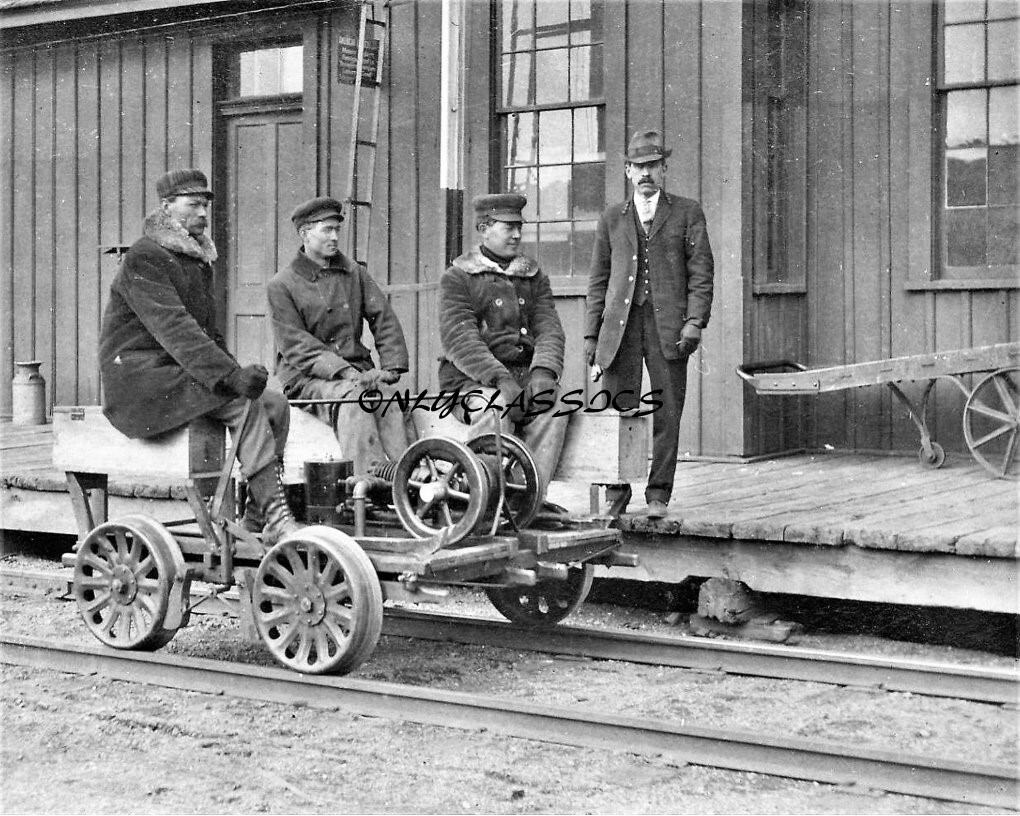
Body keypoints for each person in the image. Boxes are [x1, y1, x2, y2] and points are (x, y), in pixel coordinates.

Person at [99, 168, 300, 545]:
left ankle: (257, 517)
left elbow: (206, 332)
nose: (204, 213)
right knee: (243, 404)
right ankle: (277, 515)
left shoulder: (192, 258)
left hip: (175, 369)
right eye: (194, 205)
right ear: (166, 208)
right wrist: (230, 379)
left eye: (206, 205)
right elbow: (176, 329)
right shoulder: (146, 257)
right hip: (140, 377)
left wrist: (235, 371)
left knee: (274, 404)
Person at [585, 130, 714, 519]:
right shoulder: (611, 218)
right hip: (619, 329)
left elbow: (702, 273)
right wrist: (592, 336)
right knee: (617, 409)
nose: (646, 174)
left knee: (667, 409)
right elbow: (597, 280)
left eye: (653, 166)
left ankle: (658, 493)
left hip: (669, 327)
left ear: (664, 169)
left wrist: (694, 322)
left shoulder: (687, 212)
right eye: (638, 167)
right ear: (627, 170)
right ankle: (617, 490)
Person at [267, 196, 413, 477]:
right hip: (307, 378)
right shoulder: (282, 284)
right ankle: (368, 479)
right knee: (354, 398)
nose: (335, 237)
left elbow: (383, 317)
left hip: (355, 373)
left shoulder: (354, 273)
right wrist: (345, 372)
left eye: (337, 230)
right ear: (305, 234)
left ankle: (411, 473)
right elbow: (298, 346)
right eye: (327, 230)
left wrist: (392, 367)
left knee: (388, 396)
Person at [438, 193, 567, 491]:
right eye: (508, 227)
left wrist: (543, 372)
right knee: (495, 407)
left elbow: (549, 328)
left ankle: (528, 497)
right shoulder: (458, 277)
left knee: (556, 403)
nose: (517, 234)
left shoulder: (532, 276)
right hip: (472, 383)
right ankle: (483, 494)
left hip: (523, 378)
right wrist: (500, 380)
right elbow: (460, 339)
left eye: (519, 226)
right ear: (484, 228)